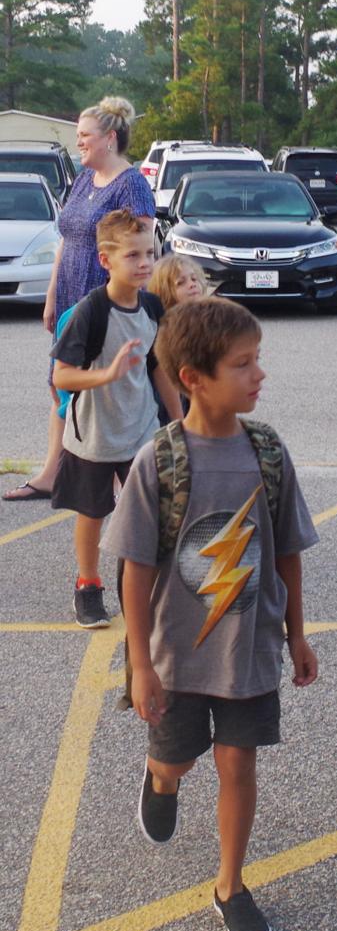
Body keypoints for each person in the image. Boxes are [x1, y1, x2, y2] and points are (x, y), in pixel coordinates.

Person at [101, 298, 319, 931]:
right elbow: (135, 570)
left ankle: (229, 884)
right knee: (180, 757)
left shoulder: (268, 452)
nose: (259, 375)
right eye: (242, 364)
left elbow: (287, 550)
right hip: (177, 656)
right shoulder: (160, 461)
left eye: (258, 360)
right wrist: (139, 664)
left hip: (248, 649)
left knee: (238, 763)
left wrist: (298, 633)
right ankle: (160, 777)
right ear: (193, 377)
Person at [5, 97, 155, 502]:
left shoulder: (132, 184)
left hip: (102, 301)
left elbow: (142, 248)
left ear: (109, 138)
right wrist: (52, 294)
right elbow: (66, 239)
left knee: (100, 390)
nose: (79, 142)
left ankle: (114, 477)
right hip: (70, 292)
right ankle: (53, 472)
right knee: (60, 387)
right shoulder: (85, 179)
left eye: (84, 135)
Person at [49, 210, 182, 628]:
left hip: (141, 426)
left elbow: (158, 366)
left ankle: (146, 586)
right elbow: (62, 375)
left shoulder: (151, 306)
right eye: (133, 256)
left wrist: (178, 423)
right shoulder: (92, 311)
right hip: (95, 432)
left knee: (149, 510)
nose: (145, 263)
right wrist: (107, 373)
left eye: (150, 253)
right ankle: (88, 585)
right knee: (93, 512)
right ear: (106, 260)